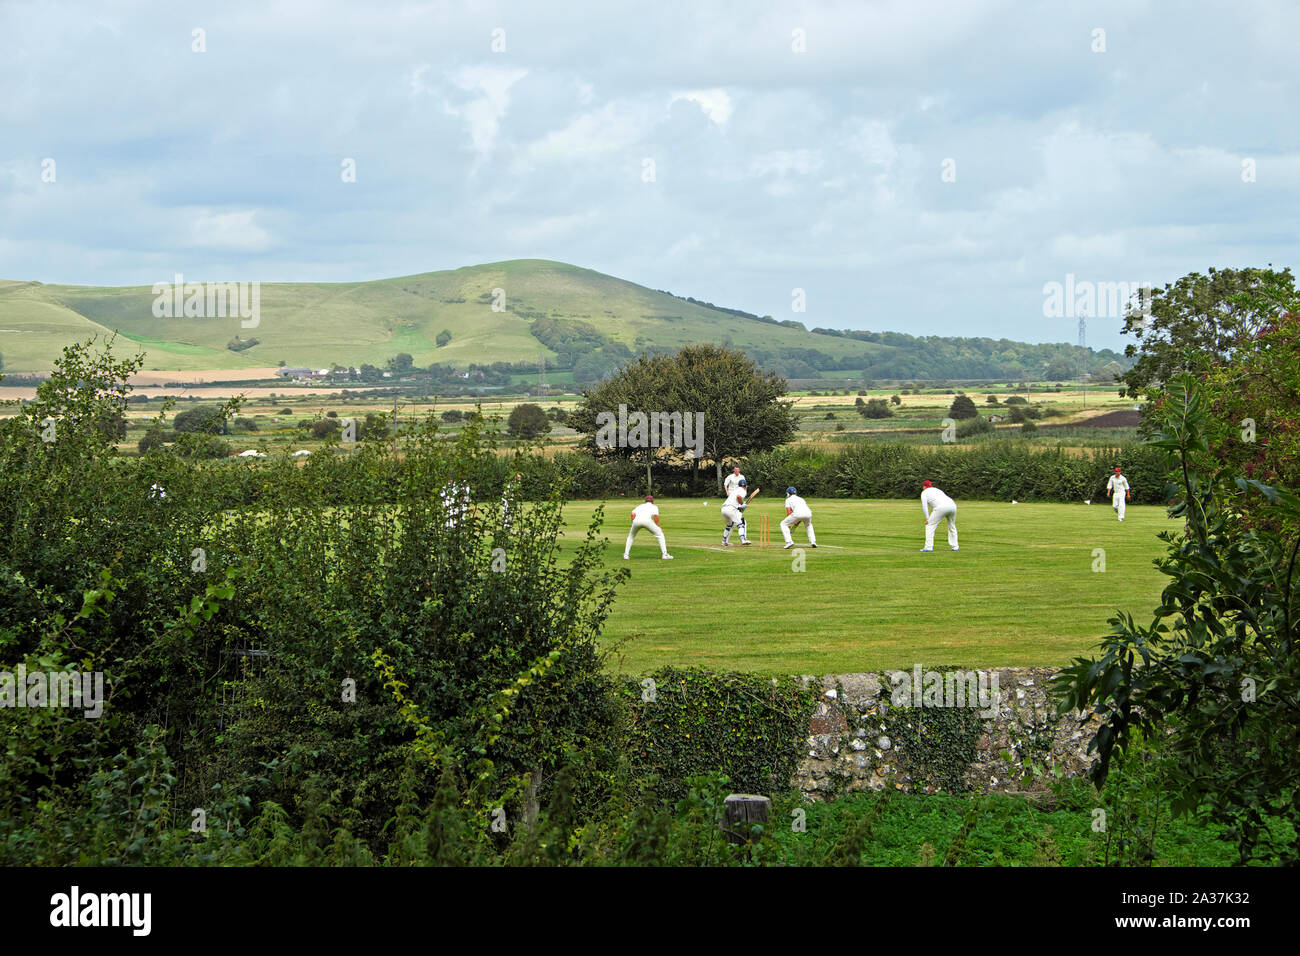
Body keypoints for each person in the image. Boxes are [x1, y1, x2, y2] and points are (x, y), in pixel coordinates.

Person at [624, 495, 673, 560]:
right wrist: (658, 527)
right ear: (653, 501)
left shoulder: (640, 506)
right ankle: (665, 554)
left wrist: (633, 522)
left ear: (645, 501)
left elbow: (632, 514)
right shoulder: (654, 507)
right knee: (660, 534)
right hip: (647, 521)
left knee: (631, 537)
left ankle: (626, 555)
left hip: (636, 521)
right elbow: (655, 517)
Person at [920, 480, 958, 552]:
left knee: (930, 525)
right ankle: (955, 546)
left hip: (941, 507)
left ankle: (928, 547)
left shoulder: (924, 493)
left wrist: (927, 518)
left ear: (924, 486)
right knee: (952, 525)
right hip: (952, 505)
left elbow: (925, 506)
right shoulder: (937, 490)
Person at [721, 478, 751, 546]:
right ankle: (743, 540)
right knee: (741, 523)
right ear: (745, 486)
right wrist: (742, 504)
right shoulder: (743, 491)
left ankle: (724, 541)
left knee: (729, 525)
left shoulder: (735, 490)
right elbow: (738, 497)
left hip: (723, 509)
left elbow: (735, 501)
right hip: (731, 509)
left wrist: (741, 506)